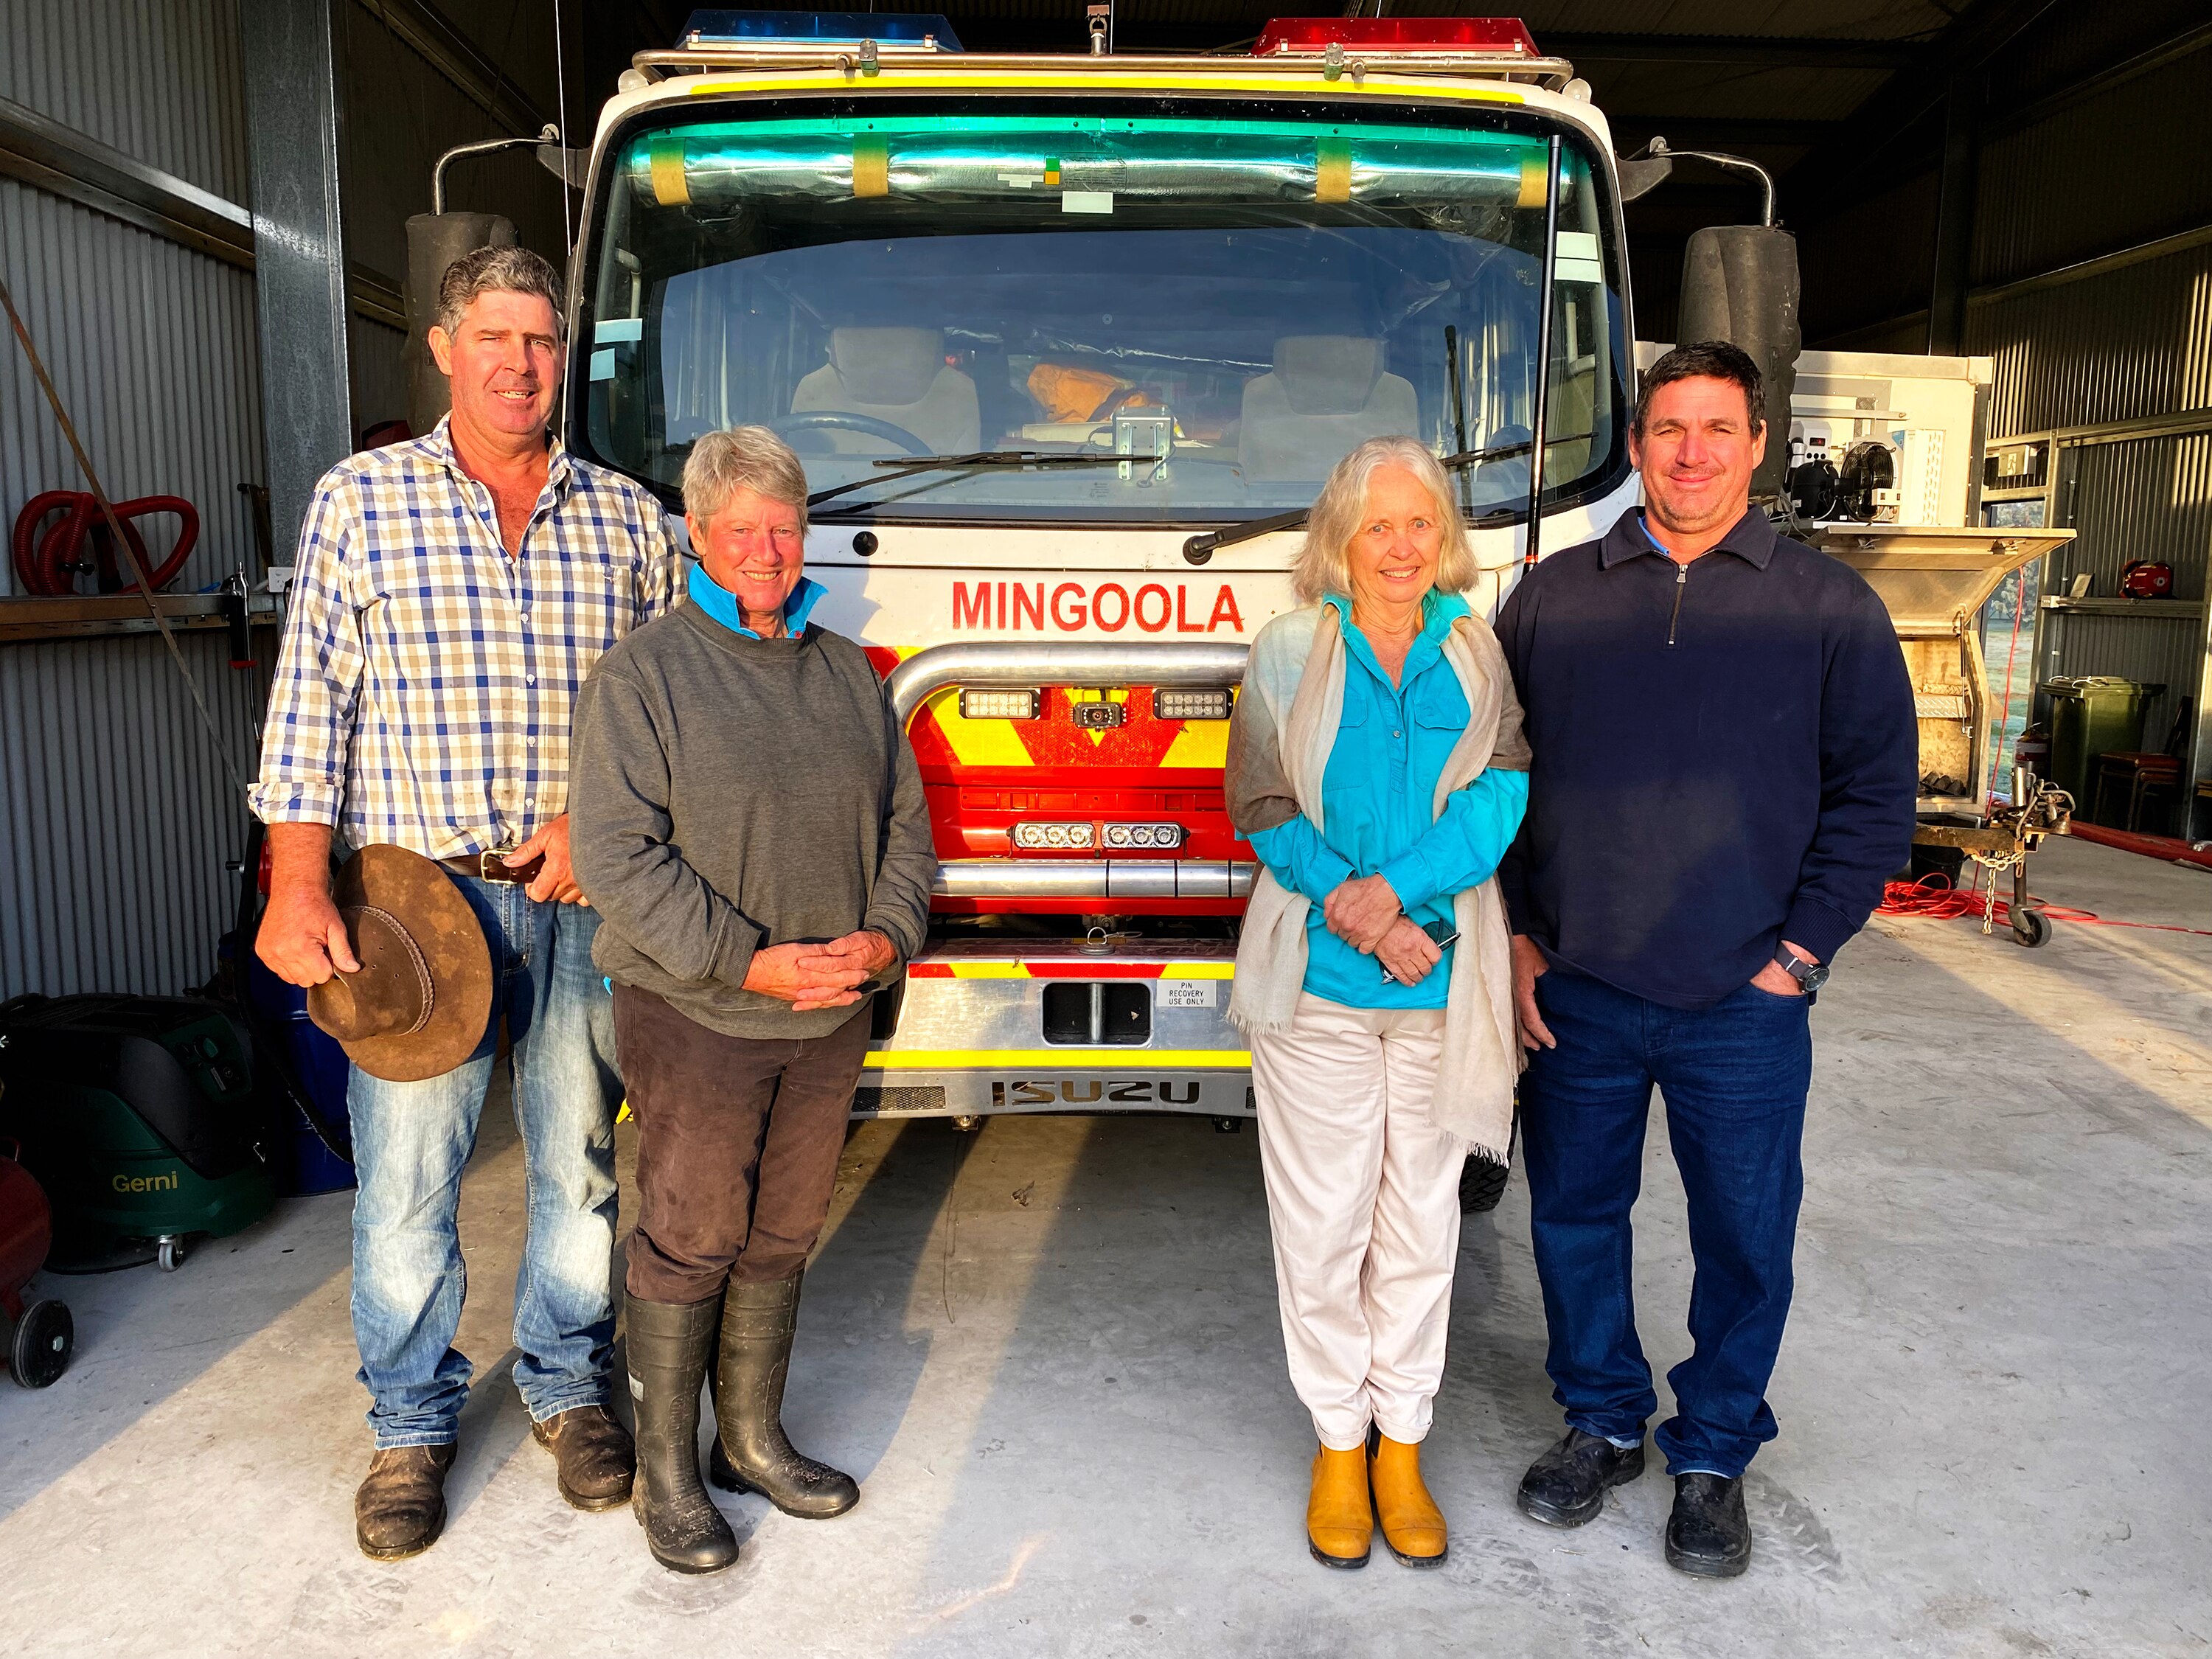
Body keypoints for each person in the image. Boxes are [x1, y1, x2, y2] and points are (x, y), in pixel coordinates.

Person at [251, 246, 681, 1561]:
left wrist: (597, 831)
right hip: (411, 912)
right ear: (441, 347)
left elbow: (671, 720)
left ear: (570, 356)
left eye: (543, 340)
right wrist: (291, 881)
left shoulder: (630, 521)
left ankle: (564, 1385)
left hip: (574, 893)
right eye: (493, 334)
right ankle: (410, 1422)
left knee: (581, 1161)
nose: (519, 362)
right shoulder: (360, 502)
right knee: (402, 1181)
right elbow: (311, 702)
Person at [1495, 340, 1916, 1577]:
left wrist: (1799, 953)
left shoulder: (1829, 608)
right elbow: (1498, 783)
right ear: (1635, 447)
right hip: (1579, 980)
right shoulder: (1554, 599)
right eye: (1668, 428)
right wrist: (1518, 937)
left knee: (1746, 1230)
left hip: (1745, 993)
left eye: (1716, 429)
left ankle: (1716, 1447)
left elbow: (1875, 800)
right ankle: (1603, 1418)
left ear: (1758, 443)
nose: (1690, 452)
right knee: (1575, 1215)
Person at [569, 425, 935, 1575]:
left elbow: (905, 831)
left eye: (785, 525)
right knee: (690, 1237)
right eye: (744, 531)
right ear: (699, 536)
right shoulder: (643, 677)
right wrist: (750, 959)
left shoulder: (845, 672)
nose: (770, 549)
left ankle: (750, 1440)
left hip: (828, 1014)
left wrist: (886, 933)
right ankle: (668, 1475)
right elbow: (618, 857)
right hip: (700, 1015)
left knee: (782, 1231)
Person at [1226, 435, 1531, 1572]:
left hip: (1446, 979)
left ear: (1442, 537)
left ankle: (1403, 1441)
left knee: (1421, 1224)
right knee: (1323, 1226)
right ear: (1339, 541)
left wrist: (1398, 896)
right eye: (1377, 526)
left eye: (1419, 525)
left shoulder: (1477, 652)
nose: (1401, 548)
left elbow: (1504, 793)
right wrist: (1362, 914)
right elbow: (1258, 801)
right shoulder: (1290, 648)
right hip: (1319, 986)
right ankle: (1336, 1443)